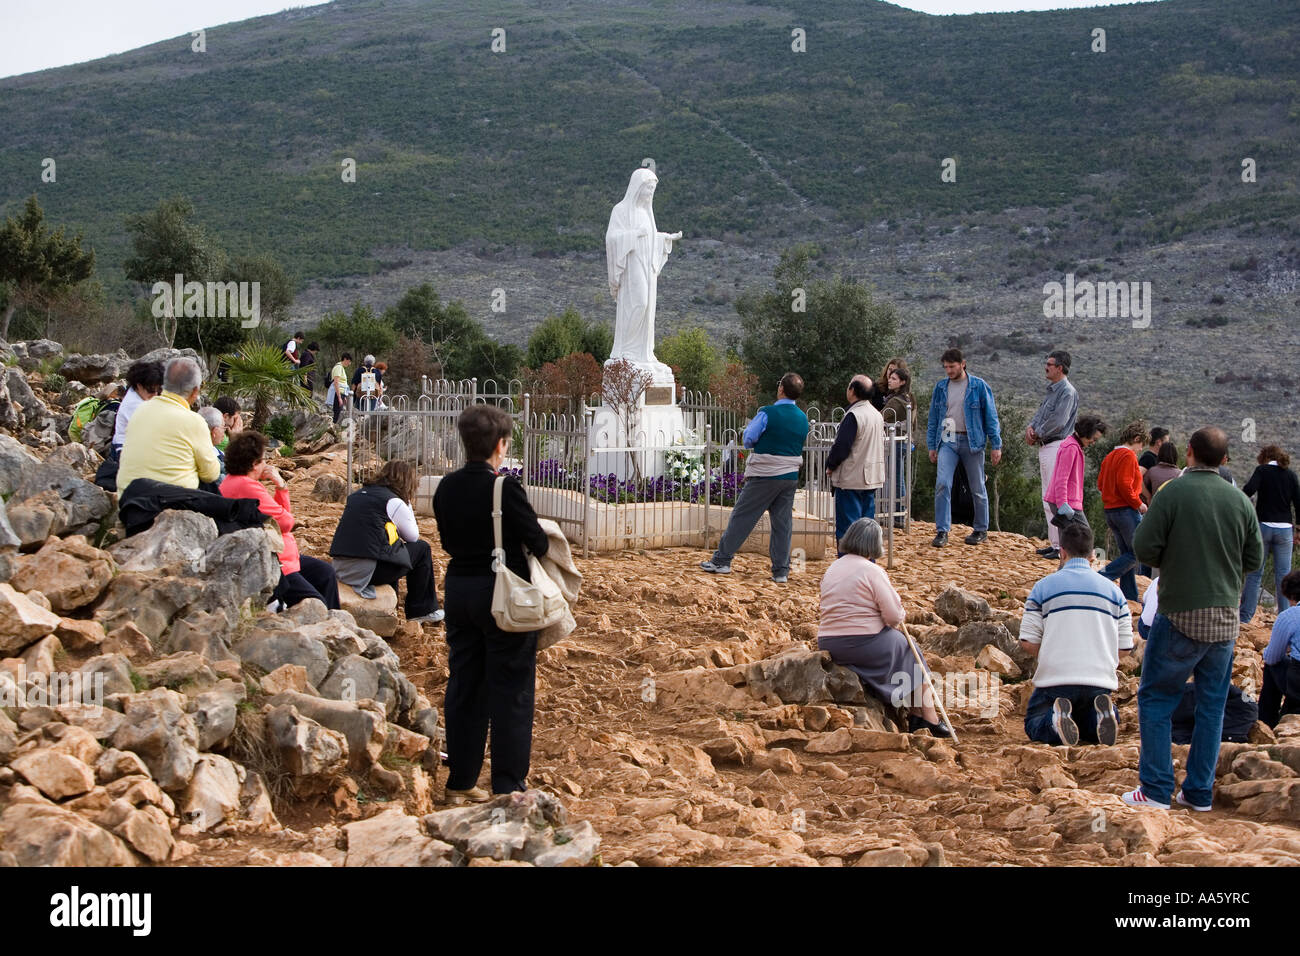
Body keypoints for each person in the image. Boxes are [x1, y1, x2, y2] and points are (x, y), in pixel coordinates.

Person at [1125, 427, 1263, 811]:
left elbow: (1144, 547)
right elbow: (1253, 562)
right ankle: (1198, 792)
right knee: (1212, 705)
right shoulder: (1240, 502)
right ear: (1224, 460)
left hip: (1179, 612)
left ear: (1188, 453)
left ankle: (1154, 789)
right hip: (1224, 620)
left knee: (1155, 698)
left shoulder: (1173, 494)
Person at [433, 405, 550, 802]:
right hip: (501, 595)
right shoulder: (504, 487)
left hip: (459, 591)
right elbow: (539, 541)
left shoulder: (445, 487)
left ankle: (460, 782)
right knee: (511, 688)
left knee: (465, 683)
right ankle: (507, 785)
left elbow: (447, 540)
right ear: (501, 445)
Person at [818, 518, 950, 736]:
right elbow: (893, 616)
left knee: (901, 647)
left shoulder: (833, 568)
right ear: (874, 545)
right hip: (862, 641)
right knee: (910, 649)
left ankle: (917, 713)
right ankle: (928, 716)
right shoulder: (871, 571)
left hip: (830, 640)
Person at [1019, 521, 1132, 746]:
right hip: (1099, 680)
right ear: (1092, 554)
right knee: (1087, 721)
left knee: (1034, 721)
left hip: (1055, 680)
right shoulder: (1114, 592)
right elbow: (1126, 648)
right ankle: (1101, 716)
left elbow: (1028, 642)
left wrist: (1051, 652)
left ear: (1062, 552)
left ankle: (1054, 722)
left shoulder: (1042, 587)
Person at [701, 372, 810, 582]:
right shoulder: (802, 417)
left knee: (743, 517)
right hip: (790, 475)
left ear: (780, 389)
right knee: (782, 524)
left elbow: (749, 438)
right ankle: (781, 571)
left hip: (765, 473)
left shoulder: (767, 413)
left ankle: (722, 560)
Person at [221, 431, 340, 612]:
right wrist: (281, 486)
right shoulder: (248, 487)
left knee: (325, 573)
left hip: (282, 557)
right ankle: (328, 628)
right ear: (254, 464)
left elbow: (279, 518)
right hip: (278, 563)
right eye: (263, 460)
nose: (266, 464)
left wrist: (280, 489)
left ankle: (335, 623)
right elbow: (285, 522)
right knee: (316, 603)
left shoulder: (232, 482)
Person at [330, 459, 443, 625]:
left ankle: (393, 606)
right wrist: (407, 503)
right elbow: (413, 536)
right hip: (367, 571)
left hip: (341, 567)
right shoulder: (393, 501)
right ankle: (422, 610)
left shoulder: (357, 496)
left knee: (391, 546)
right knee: (421, 549)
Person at [926, 348, 1002, 547]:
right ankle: (942, 530)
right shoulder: (941, 387)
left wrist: (996, 444)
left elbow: (991, 416)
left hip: (972, 441)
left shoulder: (979, 386)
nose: (949, 370)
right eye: (946, 367)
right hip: (947, 440)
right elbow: (933, 417)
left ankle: (980, 528)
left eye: (952, 366)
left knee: (977, 486)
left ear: (963, 364)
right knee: (943, 483)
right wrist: (932, 445)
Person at [116, 357, 221, 494]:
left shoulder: (141, 409)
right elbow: (211, 475)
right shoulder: (194, 421)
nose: (154, 394)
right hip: (168, 502)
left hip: (127, 498)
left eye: (156, 390)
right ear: (195, 391)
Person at [1025, 350, 1079, 557]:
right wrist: (1031, 428)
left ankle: (1062, 547)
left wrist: (1037, 433)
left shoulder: (1067, 391)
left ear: (1060, 368)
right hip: (1046, 446)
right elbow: (1041, 415)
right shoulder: (1053, 390)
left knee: (1056, 497)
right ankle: (1055, 543)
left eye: (1049, 364)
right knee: (1048, 496)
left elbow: (1059, 422)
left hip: (1057, 446)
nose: (1046, 366)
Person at [1239, 444, 1300, 623]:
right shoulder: (1290, 475)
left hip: (1263, 526)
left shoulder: (1262, 470)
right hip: (1284, 530)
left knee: (1255, 572)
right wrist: (1298, 530)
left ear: (1265, 457)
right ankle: (1284, 618)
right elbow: (1298, 503)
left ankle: (1245, 617)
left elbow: (1248, 490)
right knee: (1284, 575)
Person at [825, 375, 885, 551]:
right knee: (867, 529)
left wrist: (831, 464)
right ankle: (868, 562)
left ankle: (848, 567)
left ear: (852, 390)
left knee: (848, 529)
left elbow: (842, 446)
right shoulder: (876, 414)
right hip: (871, 477)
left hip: (852, 478)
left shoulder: (854, 415)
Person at [1097, 421, 1149, 601]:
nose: (1140, 449)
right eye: (1141, 444)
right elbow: (1125, 484)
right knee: (1138, 552)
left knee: (1127, 553)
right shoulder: (1128, 456)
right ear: (1136, 439)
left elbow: (1100, 484)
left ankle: (1130, 596)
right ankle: (1101, 578)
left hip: (1110, 511)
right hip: (1126, 511)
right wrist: (1138, 503)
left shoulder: (1110, 456)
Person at [1042, 414, 1107, 547]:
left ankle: (1064, 566)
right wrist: (1062, 504)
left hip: (1063, 500)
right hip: (1067, 502)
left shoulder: (1072, 445)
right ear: (1086, 432)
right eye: (1093, 439)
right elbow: (1062, 478)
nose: (1093, 442)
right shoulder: (1071, 447)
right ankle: (1083, 566)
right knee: (1085, 537)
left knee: (1066, 541)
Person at [1260, 571, 1300, 726]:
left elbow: (1272, 657)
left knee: (1272, 663)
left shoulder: (1289, 616)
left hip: (1297, 684)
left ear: (1290, 596)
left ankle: (1266, 721)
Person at [881, 366, 916, 529]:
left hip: (896, 442)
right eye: (890, 378)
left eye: (894, 379)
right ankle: (900, 513)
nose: (890, 380)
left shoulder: (895, 401)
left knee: (895, 477)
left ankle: (898, 514)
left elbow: (881, 417)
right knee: (899, 476)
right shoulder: (909, 398)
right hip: (904, 441)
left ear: (902, 382)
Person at [112, 360, 164, 459]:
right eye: (151, 390)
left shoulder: (136, 392)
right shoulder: (134, 405)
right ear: (139, 385)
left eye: (159, 390)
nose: (155, 394)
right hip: (125, 451)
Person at [197, 406, 227, 484]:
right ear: (214, 431)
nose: (224, 433)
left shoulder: (206, 448)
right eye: (223, 427)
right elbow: (220, 481)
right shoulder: (204, 453)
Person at [327, 353, 353, 423]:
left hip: (341, 393)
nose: (349, 364)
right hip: (337, 394)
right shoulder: (338, 367)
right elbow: (336, 382)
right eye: (349, 361)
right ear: (345, 359)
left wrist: (344, 396)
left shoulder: (341, 368)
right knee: (336, 413)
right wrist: (339, 397)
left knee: (338, 412)